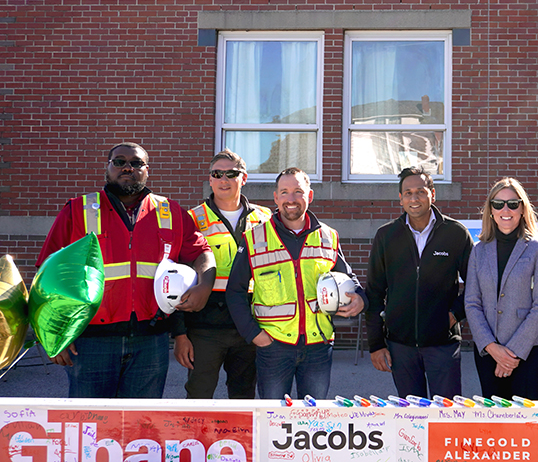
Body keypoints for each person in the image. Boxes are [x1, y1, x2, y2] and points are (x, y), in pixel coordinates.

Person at [36, 142, 215, 398]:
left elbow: (201, 252)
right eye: (119, 162)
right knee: (90, 418)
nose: (127, 168)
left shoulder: (171, 212)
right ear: (107, 168)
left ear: (147, 170)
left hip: (150, 341)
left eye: (136, 163)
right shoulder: (77, 210)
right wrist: (55, 334)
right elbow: (47, 275)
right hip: (90, 340)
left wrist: (205, 286)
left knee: (142, 420)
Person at [226, 167, 367, 400]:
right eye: (284, 192)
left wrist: (361, 298)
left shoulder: (328, 236)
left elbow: (349, 278)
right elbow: (235, 291)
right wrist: (253, 334)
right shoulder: (254, 238)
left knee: (313, 417)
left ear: (309, 196)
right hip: (273, 346)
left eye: (298, 192)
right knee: (273, 415)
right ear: (276, 197)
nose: (291, 199)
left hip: (318, 345)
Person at [172, 149, 272, 399]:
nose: (224, 180)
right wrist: (180, 334)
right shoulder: (192, 218)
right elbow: (176, 278)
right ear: (210, 179)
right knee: (199, 395)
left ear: (243, 178)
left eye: (231, 174)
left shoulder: (265, 218)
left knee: (244, 396)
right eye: (217, 174)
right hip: (205, 326)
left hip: (250, 322)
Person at [366, 167, 473, 399]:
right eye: (408, 193)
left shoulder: (456, 233)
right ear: (401, 199)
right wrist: (376, 344)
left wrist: (454, 315)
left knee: (446, 413)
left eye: (421, 192)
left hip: (443, 345)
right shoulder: (386, 236)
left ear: (432, 194)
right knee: (410, 414)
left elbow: (475, 284)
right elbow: (374, 292)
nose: (414, 198)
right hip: (400, 345)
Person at [465, 178, 538, 400]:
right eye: (498, 204)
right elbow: (472, 302)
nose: (505, 210)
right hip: (488, 353)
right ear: (491, 210)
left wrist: (511, 354)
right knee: (494, 418)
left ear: (522, 209)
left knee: (526, 418)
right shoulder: (478, 251)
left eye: (513, 204)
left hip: (527, 352)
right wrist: (491, 347)